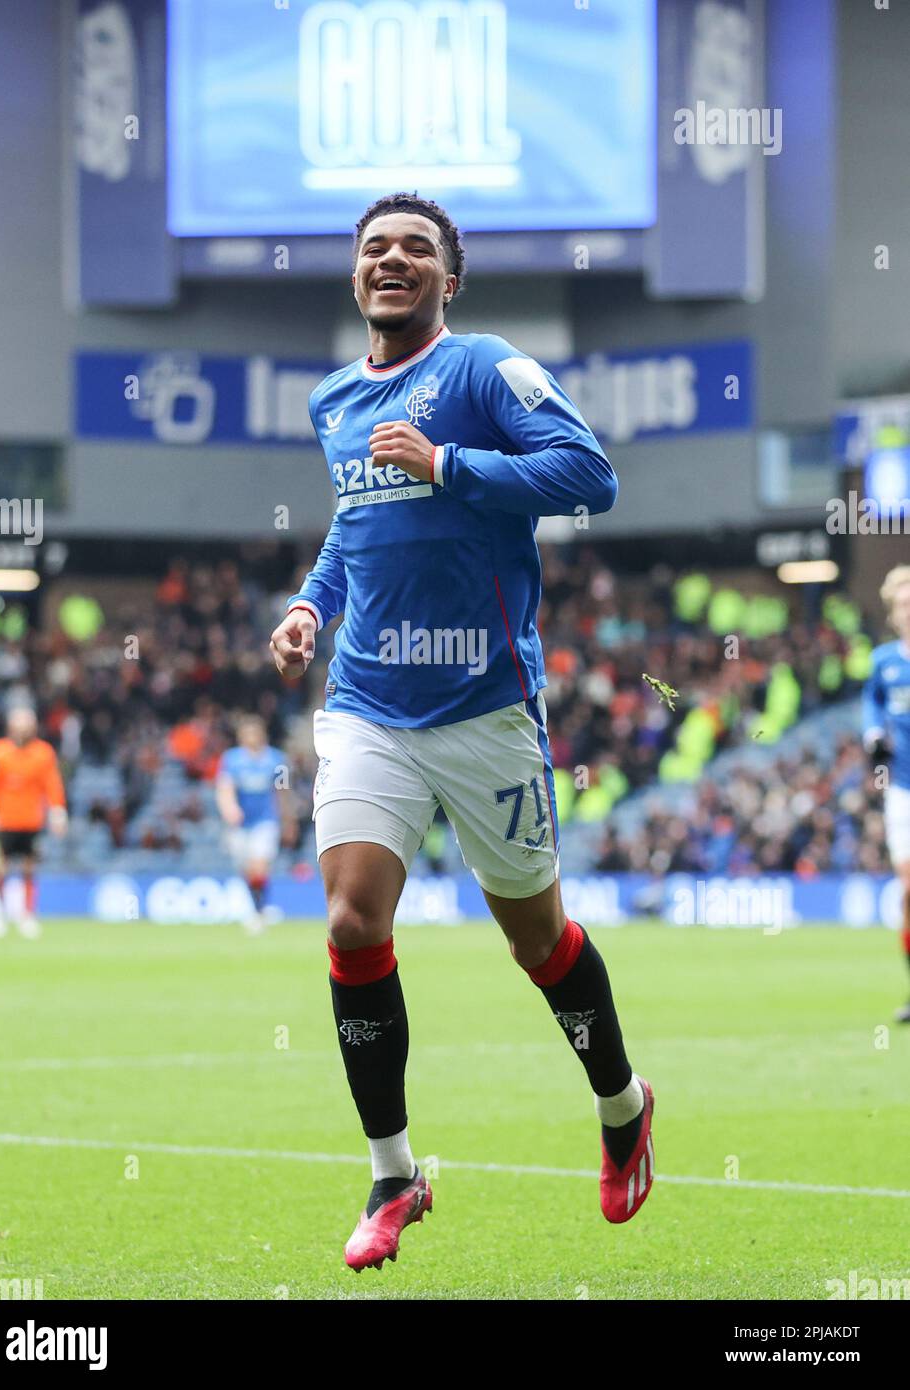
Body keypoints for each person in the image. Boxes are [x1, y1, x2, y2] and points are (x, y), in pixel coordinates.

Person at [269, 193, 655, 1272]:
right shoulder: (336, 398)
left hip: (485, 709)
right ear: (355, 277)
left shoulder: (485, 370)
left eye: (416, 249)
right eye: (375, 248)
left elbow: (590, 475)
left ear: (450, 276)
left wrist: (450, 464)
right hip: (369, 706)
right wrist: (311, 605)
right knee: (351, 923)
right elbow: (356, 522)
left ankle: (623, 1105)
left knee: (538, 942)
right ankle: (395, 1172)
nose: (393, 260)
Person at [862, 564, 910, 1021]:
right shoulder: (885, 663)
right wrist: (873, 732)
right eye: (902, 606)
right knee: (908, 889)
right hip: (903, 788)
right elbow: (870, 703)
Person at [0, 706, 67, 938]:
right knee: (0, 866)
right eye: (19, 724)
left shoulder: (44, 752)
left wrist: (57, 809)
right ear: (11, 726)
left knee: (29, 868)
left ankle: (27, 915)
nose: (23, 729)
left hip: (31, 819)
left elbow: (52, 783)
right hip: (4, 819)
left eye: (27, 725)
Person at [215, 716, 297, 933]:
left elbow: (283, 793)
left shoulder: (277, 760)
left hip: (266, 821)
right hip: (240, 824)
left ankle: (259, 911)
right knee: (246, 869)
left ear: (262, 735)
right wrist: (229, 808)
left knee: (259, 865)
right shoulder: (231, 759)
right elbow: (225, 787)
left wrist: (288, 821)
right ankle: (256, 909)